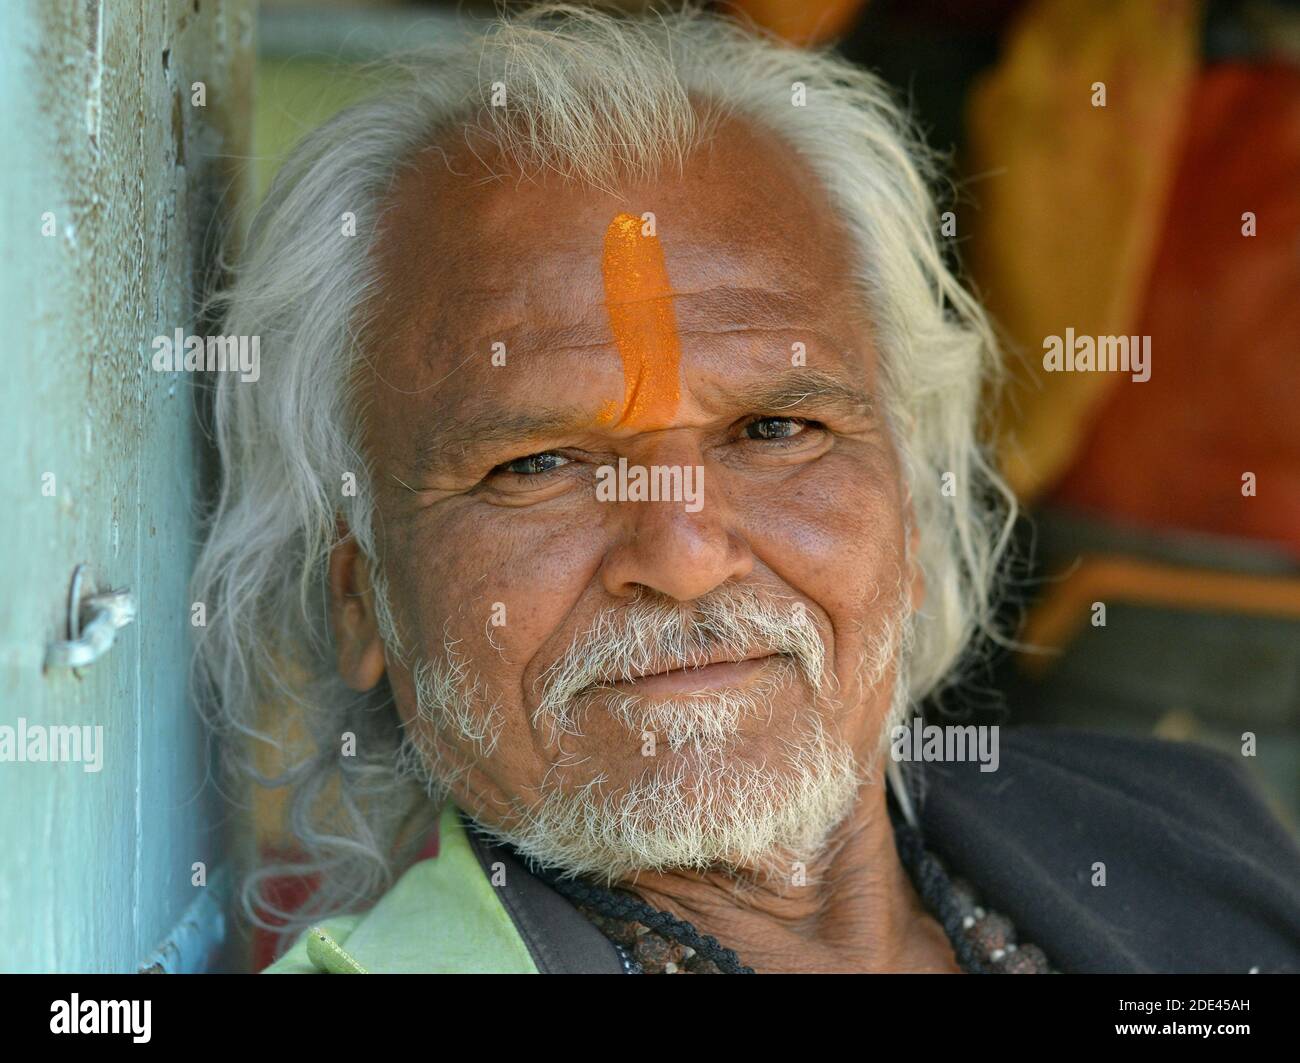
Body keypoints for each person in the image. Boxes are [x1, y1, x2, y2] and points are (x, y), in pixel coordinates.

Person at [193, 4, 1300, 974]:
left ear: (911, 505)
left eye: (776, 429)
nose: (681, 554)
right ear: (360, 593)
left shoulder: (1188, 829)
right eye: (536, 464)